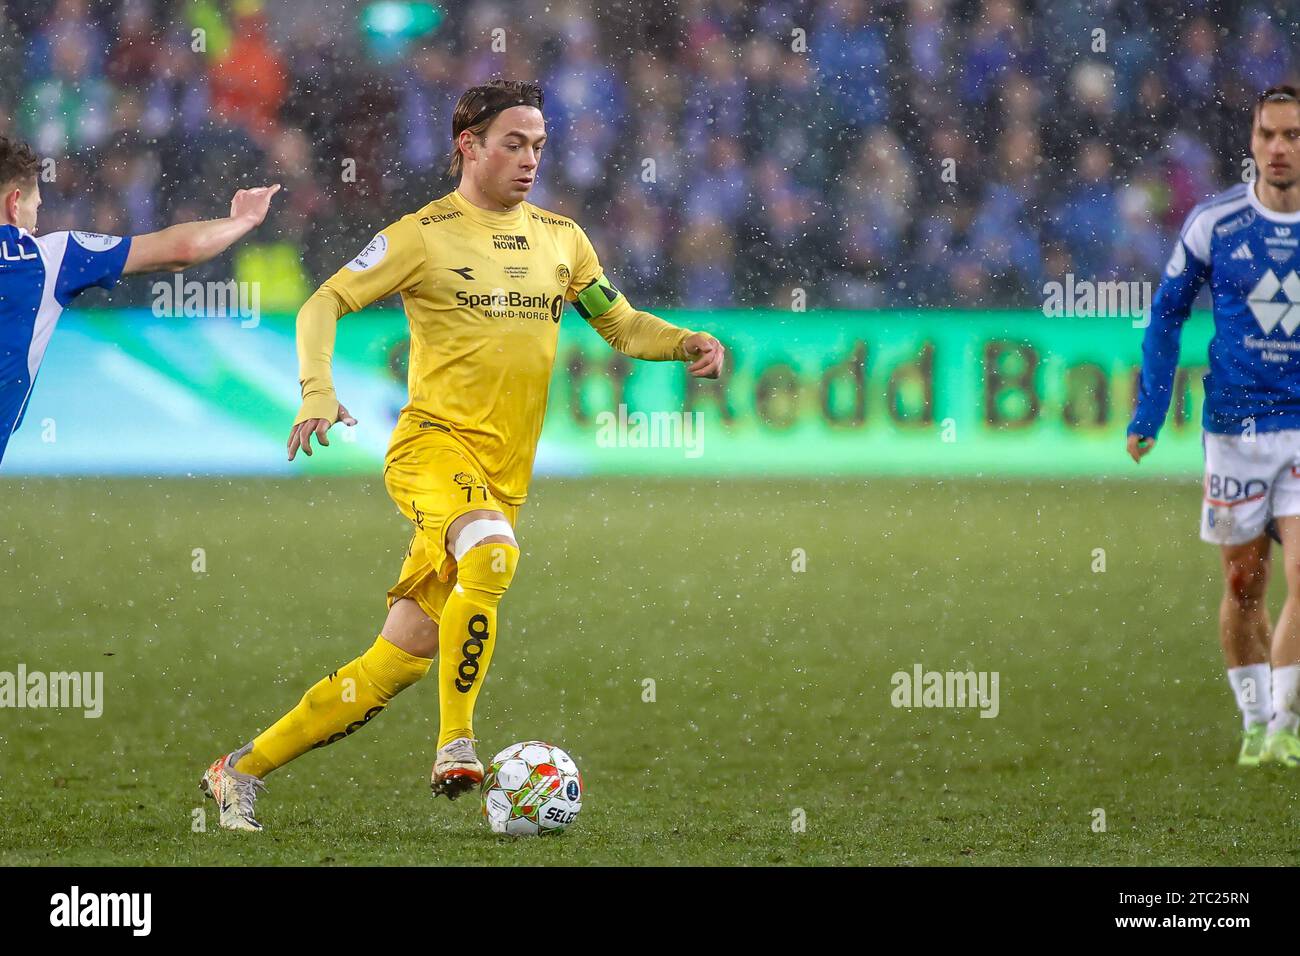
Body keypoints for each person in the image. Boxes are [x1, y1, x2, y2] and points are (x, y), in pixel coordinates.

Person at [201, 79, 725, 830]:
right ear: (467, 145)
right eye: (514, 143)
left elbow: (621, 325)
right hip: (429, 449)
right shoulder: (422, 233)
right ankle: (457, 743)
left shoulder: (562, 238)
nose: (529, 159)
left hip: (499, 478)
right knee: (492, 550)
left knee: (397, 661)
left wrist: (685, 343)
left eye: (539, 146)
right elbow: (324, 302)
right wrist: (317, 389)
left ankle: (238, 770)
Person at [1128, 86, 1300, 767]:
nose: (1281, 148)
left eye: (1293, 135)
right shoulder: (1215, 224)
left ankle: (1285, 724)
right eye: (1269, 135)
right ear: (1252, 143)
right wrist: (1148, 411)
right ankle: (1257, 720)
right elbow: (1166, 314)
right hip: (1234, 429)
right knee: (1243, 588)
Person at [0, 135, 279, 464]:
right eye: (36, 207)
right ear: (15, 203)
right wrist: (243, 220)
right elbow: (180, 251)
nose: (35, 223)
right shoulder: (47, 259)